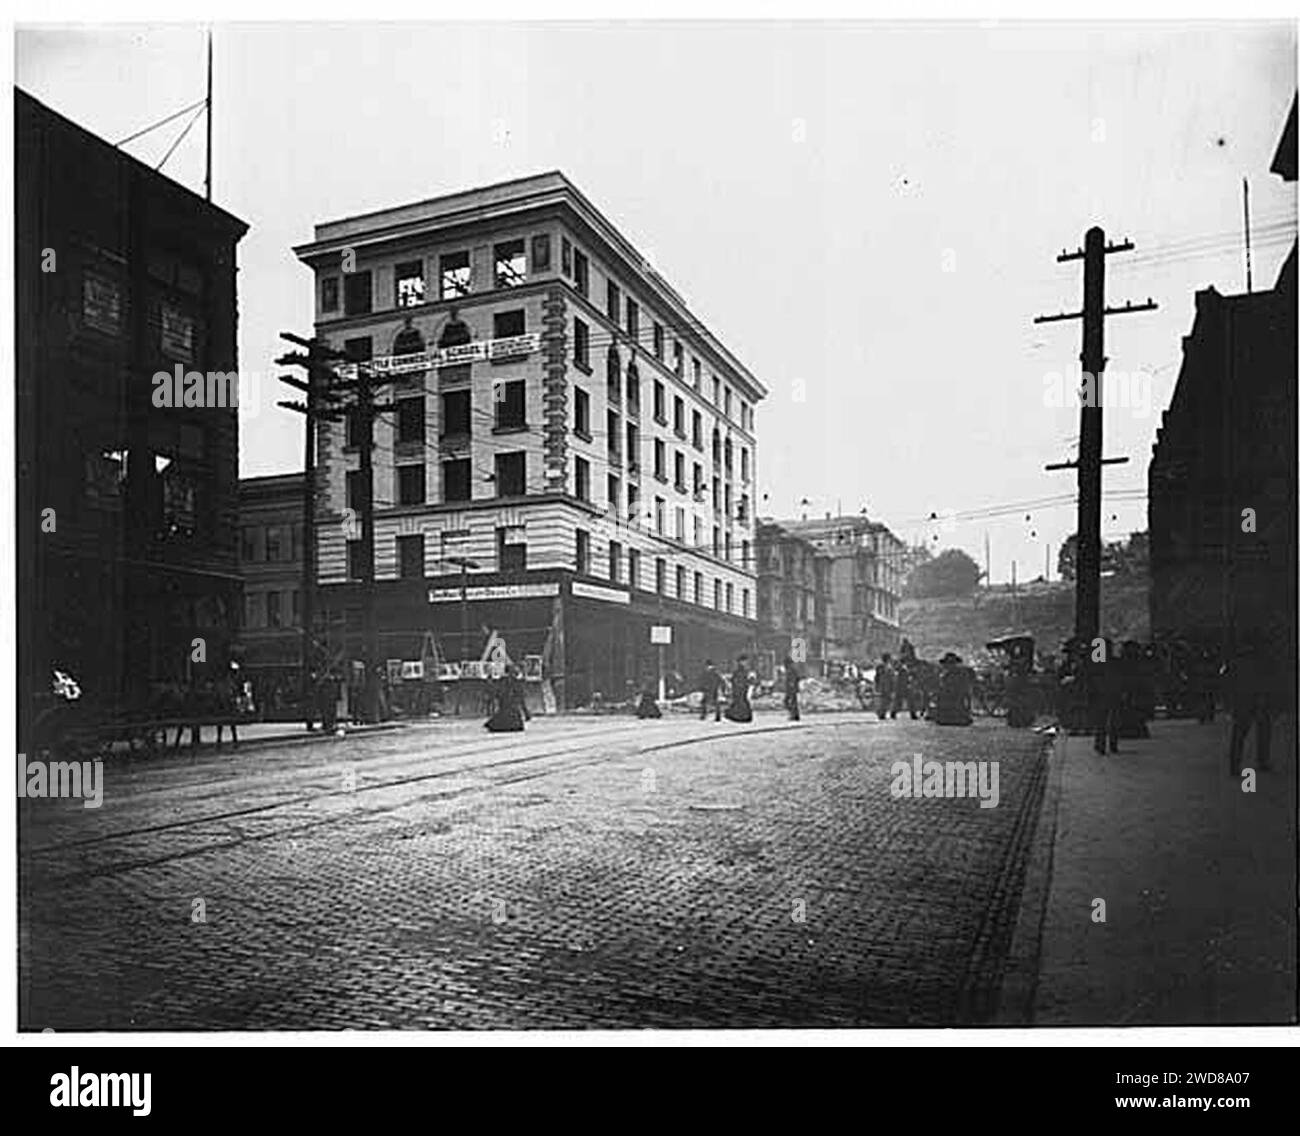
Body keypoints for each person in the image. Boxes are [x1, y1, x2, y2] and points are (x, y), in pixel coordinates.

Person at [1224, 639, 1274, 776]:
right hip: (1255, 698)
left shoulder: (1237, 662)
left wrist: (1230, 702)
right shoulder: (1260, 663)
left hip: (1243, 699)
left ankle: (1235, 765)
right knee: (1262, 729)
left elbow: (1229, 683)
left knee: (1239, 733)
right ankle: (1262, 760)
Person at [485, 664, 529, 732]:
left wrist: (489, 679)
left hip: (503, 713)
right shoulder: (516, 683)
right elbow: (521, 700)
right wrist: (526, 713)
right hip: (513, 715)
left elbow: (494, 693)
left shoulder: (501, 682)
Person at [933, 652, 974, 726]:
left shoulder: (961, 673)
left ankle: (954, 717)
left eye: (951, 663)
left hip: (956, 696)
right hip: (946, 699)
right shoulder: (944, 674)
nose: (949, 665)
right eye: (948, 663)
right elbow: (942, 685)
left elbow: (963, 687)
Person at [724, 655, 754, 723]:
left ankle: (743, 716)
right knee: (739, 702)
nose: (745, 663)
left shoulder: (745, 671)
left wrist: (748, 682)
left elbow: (744, 680)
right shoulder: (739, 671)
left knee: (742, 702)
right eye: (744, 661)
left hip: (742, 690)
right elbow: (736, 680)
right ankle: (740, 716)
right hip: (739, 689)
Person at [876, 653, 896, 720]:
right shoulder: (882, 667)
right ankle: (881, 713)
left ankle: (882, 713)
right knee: (883, 701)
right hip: (884, 686)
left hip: (887, 686)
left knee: (886, 700)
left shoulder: (889, 667)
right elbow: (878, 677)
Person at [782, 654, 802, 721]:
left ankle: (793, 715)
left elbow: (795, 679)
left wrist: (792, 686)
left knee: (787, 702)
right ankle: (795, 715)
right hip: (791, 689)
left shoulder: (790, 670)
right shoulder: (791, 669)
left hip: (791, 689)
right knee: (792, 702)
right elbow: (798, 678)